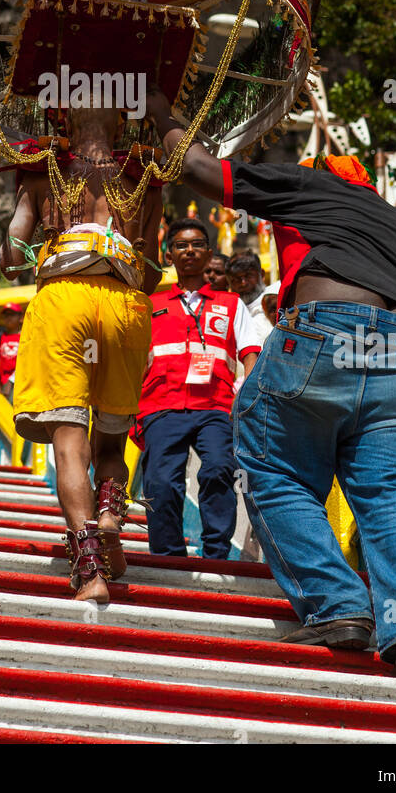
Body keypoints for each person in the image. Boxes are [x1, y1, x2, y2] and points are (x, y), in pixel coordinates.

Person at [146, 87, 396, 680]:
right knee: (395, 496)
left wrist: (158, 110)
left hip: (326, 334)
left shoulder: (313, 186)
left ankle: (339, 608)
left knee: (277, 470)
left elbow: (203, 169)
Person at [0, 107, 162, 602]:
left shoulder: (42, 170)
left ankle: (89, 570)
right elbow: (152, 268)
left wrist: (36, 246)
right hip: (124, 305)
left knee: (69, 441)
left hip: (64, 297)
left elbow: (11, 257)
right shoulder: (146, 177)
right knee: (110, 442)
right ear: (124, 121)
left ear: (63, 119)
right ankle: (111, 512)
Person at [136, 218, 260, 559]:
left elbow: (250, 351)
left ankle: (217, 553)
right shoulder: (150, 304)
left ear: (208, 254)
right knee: (161, 481)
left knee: (220, 468)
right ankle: (167, 554)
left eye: (196, 245)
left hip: (217, 406)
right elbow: (133, 358)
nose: (189, 251)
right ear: (169, 255)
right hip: (161, 405)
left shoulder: (231, 304)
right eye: (180, 246)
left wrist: (244, 398)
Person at [0, 302, 23, 401]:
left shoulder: (25, 336)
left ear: (21, 318)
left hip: (18, 383)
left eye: (12, 314)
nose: (8, 318)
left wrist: (11, 381)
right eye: (6, 315)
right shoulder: (0, 337)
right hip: (2, 383)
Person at [227, 250, 265, 317]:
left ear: (261, 275)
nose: (243, 283)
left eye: (248, 276)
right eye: (237, 279)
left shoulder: (276, 302)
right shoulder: (228, 310)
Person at [250, 279, 281, 346]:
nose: (278, 313)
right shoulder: (255, 325)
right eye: (273, 309)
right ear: (265, 310)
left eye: (282, 308)